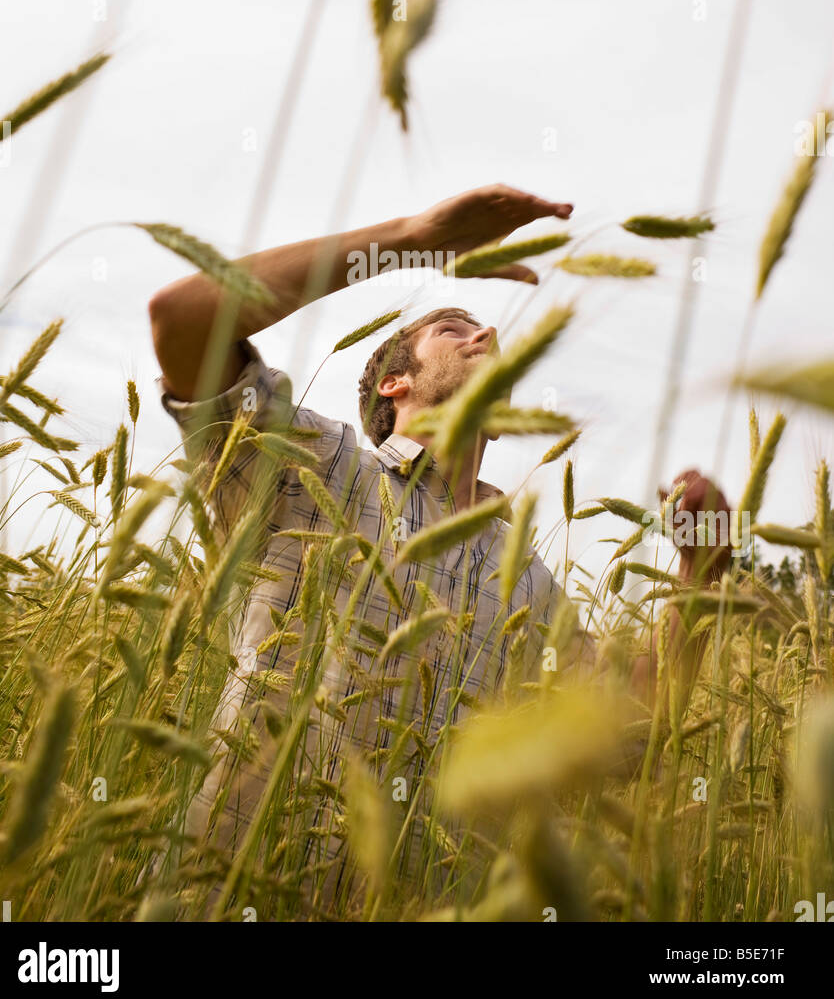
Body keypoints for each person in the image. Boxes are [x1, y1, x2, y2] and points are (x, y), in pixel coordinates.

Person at [147, 183, 729, 915]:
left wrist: (700, 576)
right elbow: (184, 320)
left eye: (489, 332)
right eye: (456, 327)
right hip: (236, 894)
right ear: (395, 382)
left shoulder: (533, 584)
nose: (487, 336)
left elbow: (631, 734)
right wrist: (409, 241)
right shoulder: (316, 470)